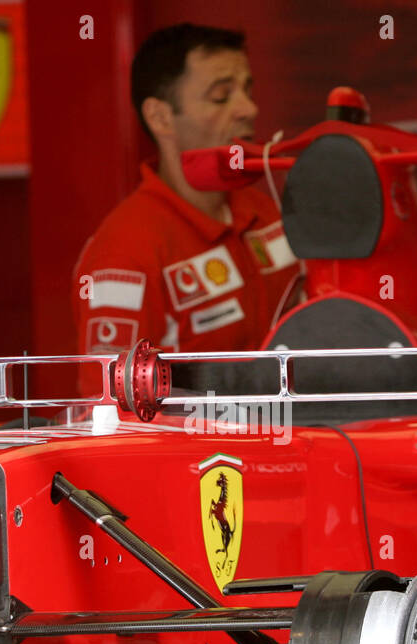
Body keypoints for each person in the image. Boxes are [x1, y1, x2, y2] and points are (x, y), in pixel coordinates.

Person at [72, 23, 300, 393]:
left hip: (297, 439)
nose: (248, 108)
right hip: (200, 450)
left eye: (246, 90)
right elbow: (113, 410)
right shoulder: (125, 253)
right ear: (160, 117)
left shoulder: (266, 214)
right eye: (222, 96)